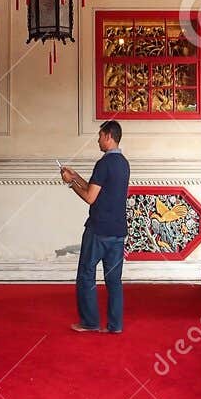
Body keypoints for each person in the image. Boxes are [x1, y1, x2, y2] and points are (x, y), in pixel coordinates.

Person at [60, 120, 129, 333]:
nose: (98, 139)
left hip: (98, 230)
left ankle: (89, 322)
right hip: (118, 231)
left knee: (86, 274)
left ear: (108, 135)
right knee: (114, 280)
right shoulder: (124, 163)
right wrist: (76, 177)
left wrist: (71, 185)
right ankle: (115, 325)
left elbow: (91, 197)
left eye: (100, 135)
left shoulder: (103, 163)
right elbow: (97, 189)